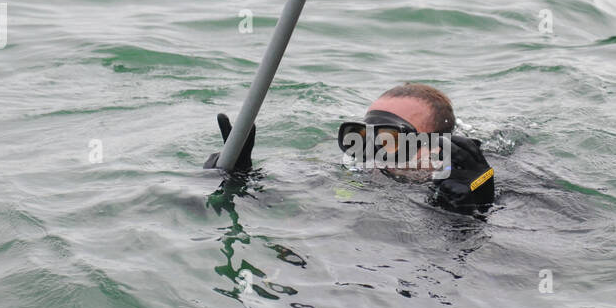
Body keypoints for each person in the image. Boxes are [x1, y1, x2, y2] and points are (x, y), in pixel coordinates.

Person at [204, 83, 495, 212]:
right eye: (363, 138)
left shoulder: (476, 178)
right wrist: (235, 178)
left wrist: (476, 208)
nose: (372, 155)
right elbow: (277, 207)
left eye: (389, 140)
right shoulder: (348, 177)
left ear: (434, 149)